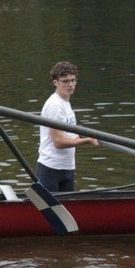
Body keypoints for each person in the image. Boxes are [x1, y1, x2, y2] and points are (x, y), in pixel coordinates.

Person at [36, 61, 99, 192]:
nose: (70, 85)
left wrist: (80, 135)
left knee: (67, 205)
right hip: (51, 169)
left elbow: (67, 133)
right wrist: (86, 141)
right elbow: (58, 142)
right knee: (52, 206)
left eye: (72, 80)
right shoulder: (55, 105)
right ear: (55, 82)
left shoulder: (65, 102)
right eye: (65, 81)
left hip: (67, 167)